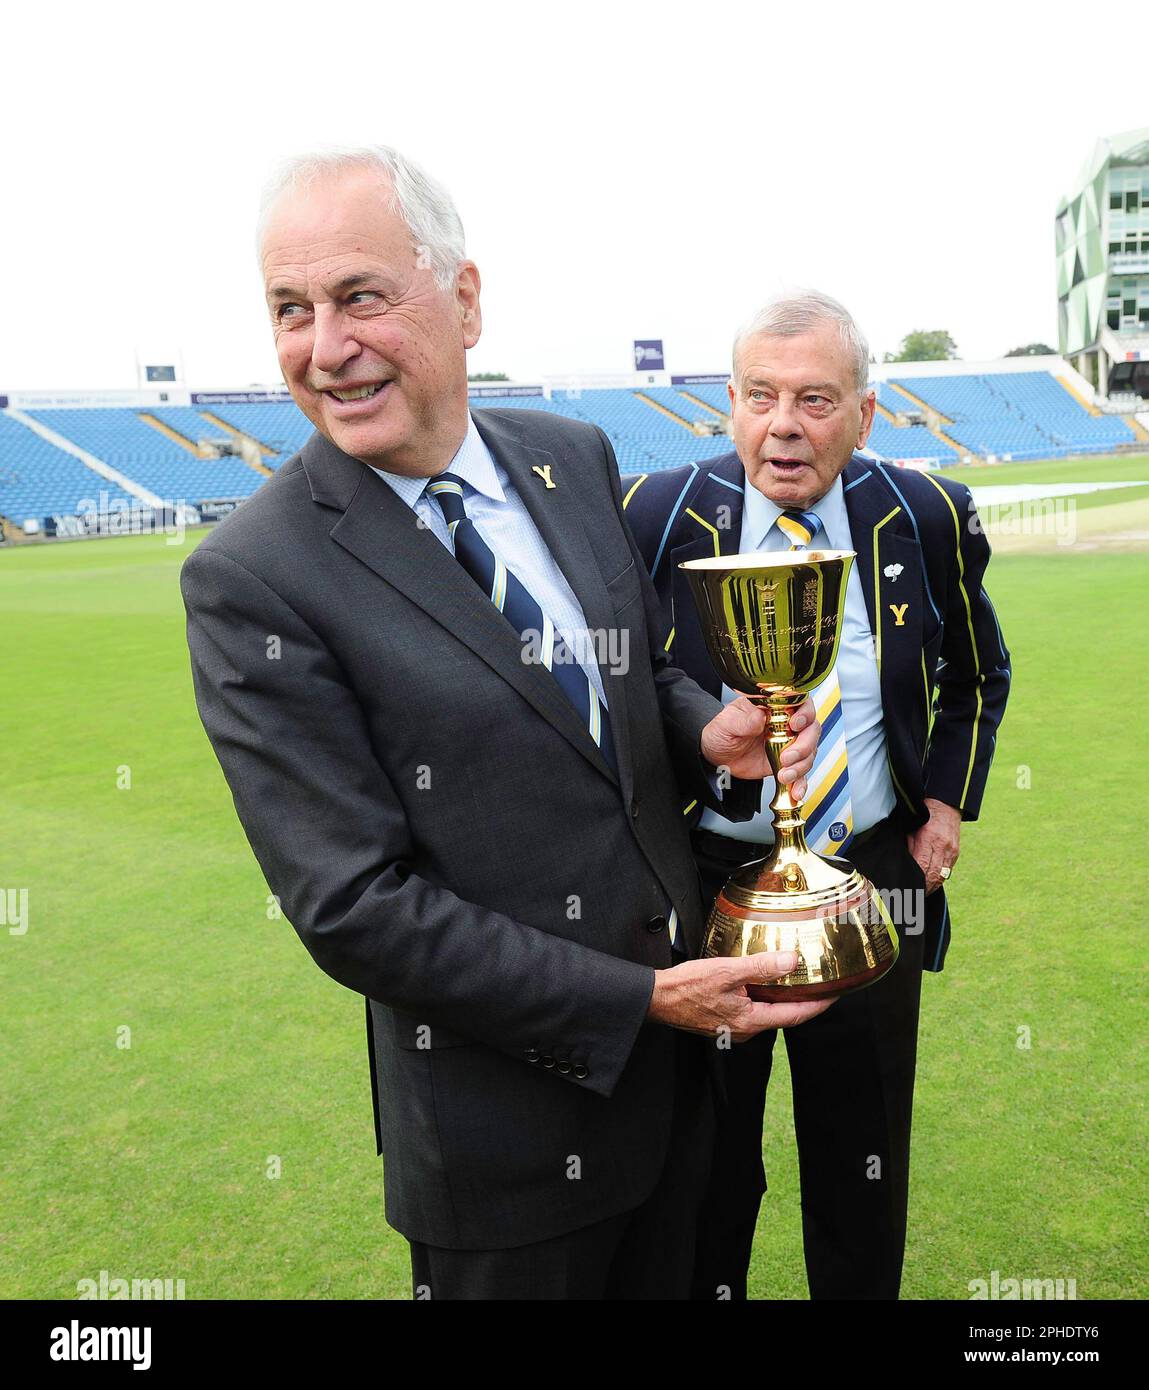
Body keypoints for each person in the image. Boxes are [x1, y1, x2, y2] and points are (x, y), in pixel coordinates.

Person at [180, 146, 831, 1301]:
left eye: (361, 296)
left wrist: (703, 735)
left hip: (684, 1101)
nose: (325, 347)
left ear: (466, 300)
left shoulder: (570, 456)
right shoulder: (253, 578)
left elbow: (616, 681)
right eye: (292, 309)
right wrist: (638, 1001)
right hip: (507, 1162)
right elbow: (352, 907)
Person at [622, 290, 1011, 1300]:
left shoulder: (923, 513)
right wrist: (702, 734)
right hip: (708, 884)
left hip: (872, 876)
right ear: (730, 400)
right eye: (759, 395)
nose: (783, 425)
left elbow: (977, 674)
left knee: (863, 1163)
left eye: (814, 399)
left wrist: (945, 805)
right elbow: (621, 681)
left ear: (866, 413)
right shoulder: (659, 512)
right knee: (708, 1170)